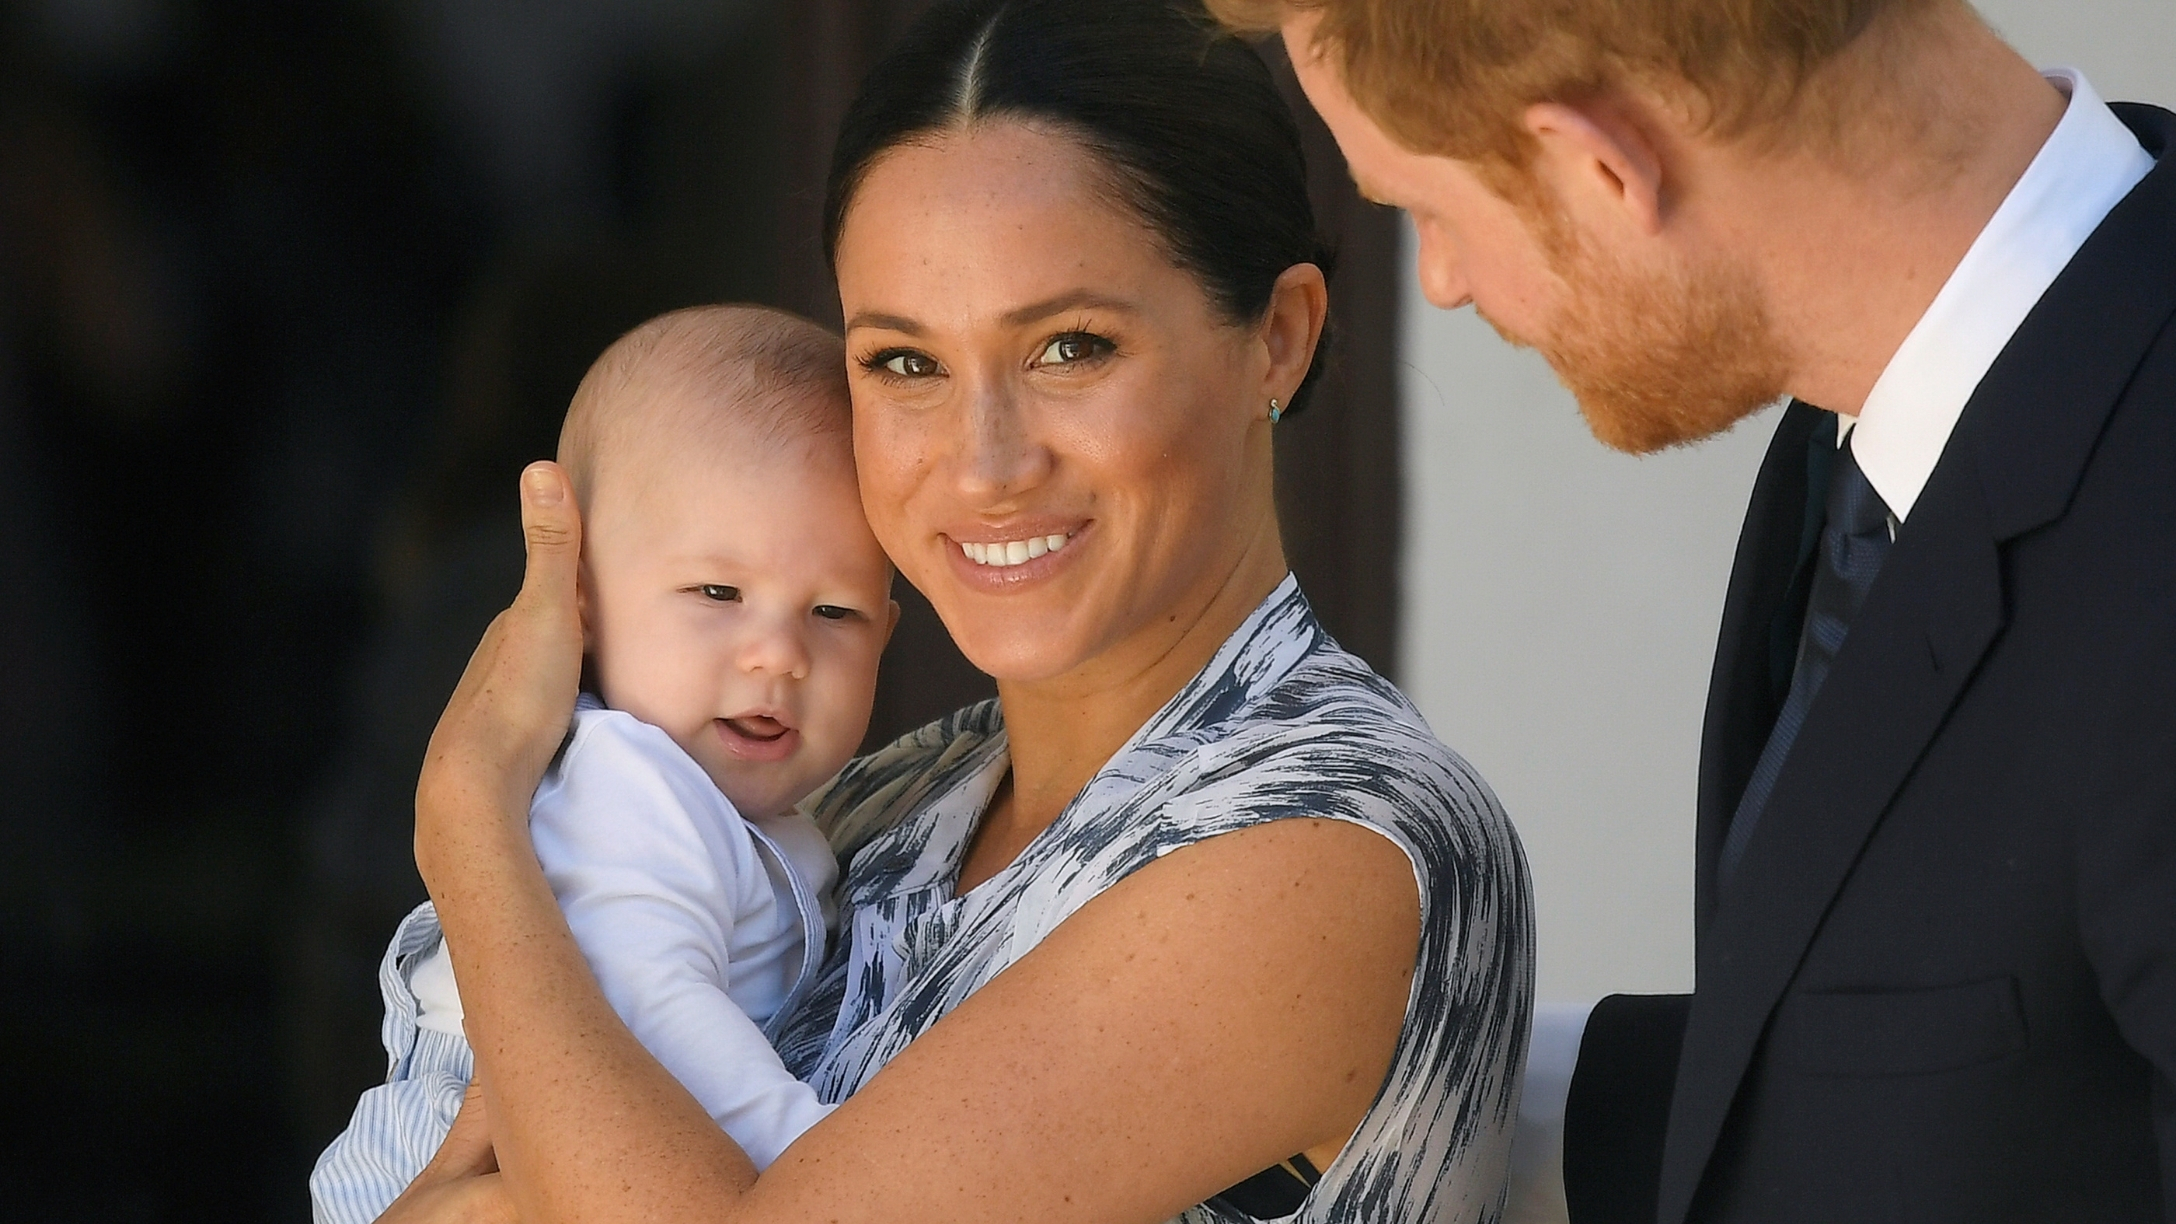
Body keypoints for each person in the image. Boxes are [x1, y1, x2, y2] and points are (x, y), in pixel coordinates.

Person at [377, 2, 1535, 1222]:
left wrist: (469, 820)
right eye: (904, 363)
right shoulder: (886, 803)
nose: (981, 465)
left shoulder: (1329, 841)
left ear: (1278, 341)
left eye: (1070, 348)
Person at [1208, 0, 2176, 1220]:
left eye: (1422, 210)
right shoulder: (1869, 436)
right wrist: (1374, 1071)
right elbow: (1980, 1076)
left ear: (1603, 168)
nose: (1442, 284)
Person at [311, 305, 897, 1221]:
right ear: (579, 603)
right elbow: (656, 1018)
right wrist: (814, 1168)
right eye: (717, 592)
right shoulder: (627, 786)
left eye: (835, 614)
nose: (778, 655)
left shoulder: (750, 810)